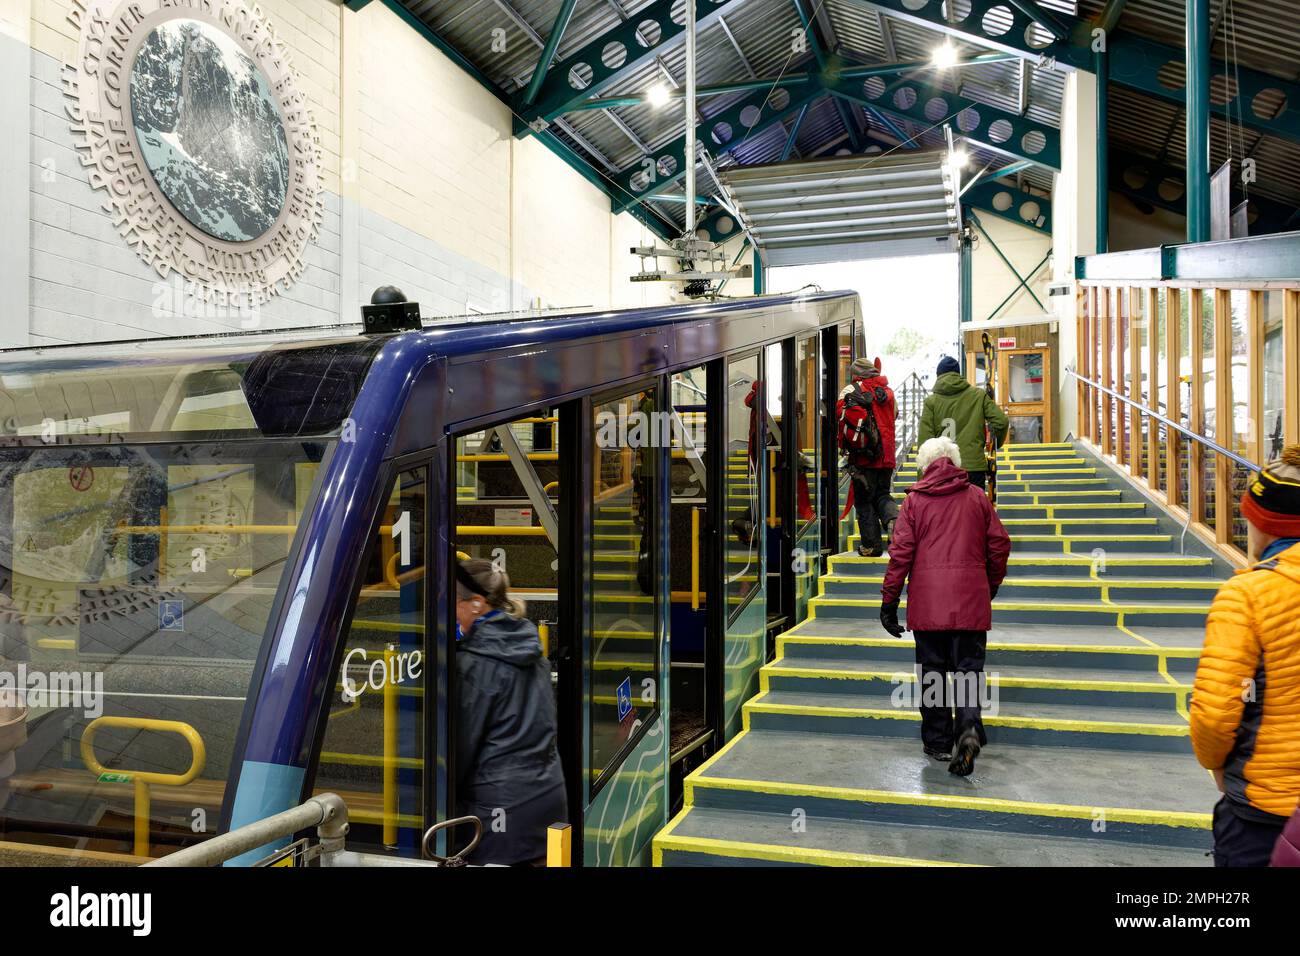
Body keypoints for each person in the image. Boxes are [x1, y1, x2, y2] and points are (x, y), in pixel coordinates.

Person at [1190, 445, 1300, 867]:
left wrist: (1217, 766)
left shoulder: (1248, 595)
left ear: (1264, 524)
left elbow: (1216, 713)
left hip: (1266, 810)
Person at [879, 436, 1011, 776]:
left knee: (933, 672)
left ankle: (938, 742)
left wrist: (889, 601)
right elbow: (999, 544)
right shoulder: (977, 497)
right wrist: (989, 585)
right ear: (954, 462)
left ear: (925, 466)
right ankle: (967, 730)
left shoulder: (915, 503)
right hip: (970, 603)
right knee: (968, 670)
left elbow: (900, 554)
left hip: (928, 606)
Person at [454, 559, 567, 865]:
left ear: (477, 604)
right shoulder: (529, 645)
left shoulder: (473, 664)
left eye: (454, 603)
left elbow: (459, 752)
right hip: (549, 793)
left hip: (500, 810)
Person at [836, 356, 898, 557]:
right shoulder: (887, 391)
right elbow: (895, 414)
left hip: (864, 456)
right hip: (886, 456)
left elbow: (840, 414)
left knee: (864, 500)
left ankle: (871, 546)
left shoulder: (851, 390)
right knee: (882, 494)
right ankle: (893, 520)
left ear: (856, 374)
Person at [917, 355, 1008, 489]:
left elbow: (924, 443)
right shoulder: (978, 395)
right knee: (973, 508)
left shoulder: (931, 402)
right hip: (974, 468)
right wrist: (994, 445)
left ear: (938, 376)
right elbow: (1001, 422)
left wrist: (922, 479)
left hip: (943, 471)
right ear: (959, 375)